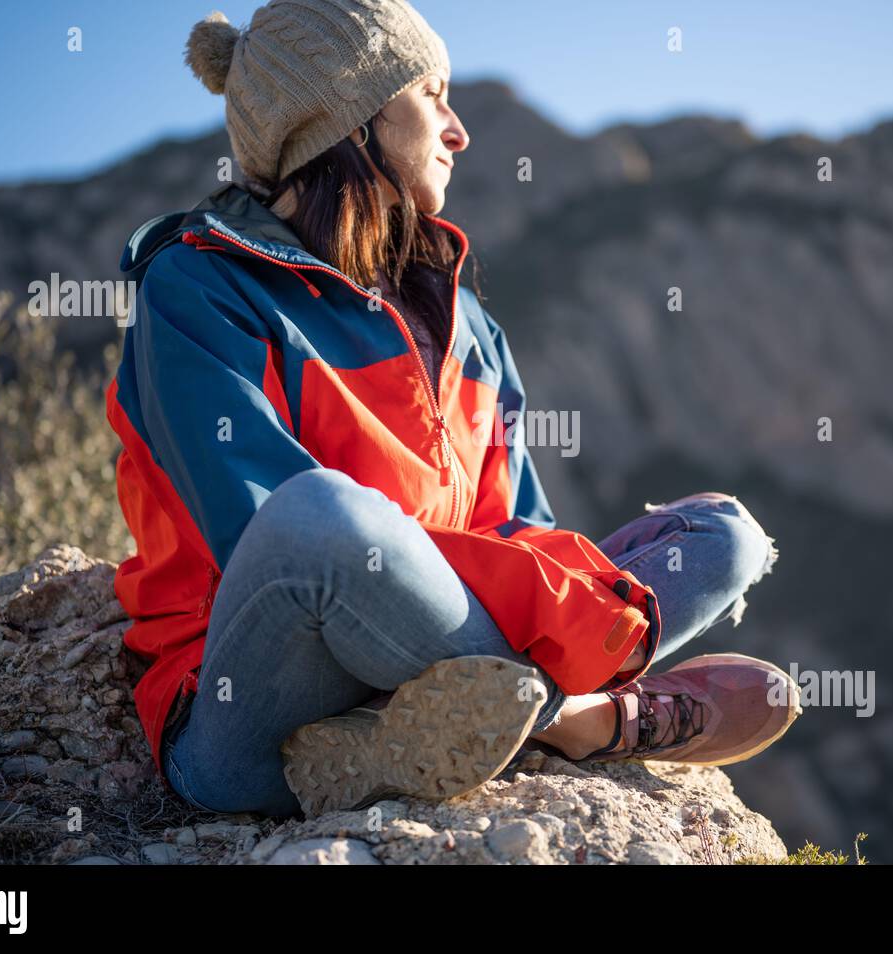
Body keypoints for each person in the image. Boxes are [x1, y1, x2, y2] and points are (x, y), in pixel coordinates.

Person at [105, 0, 801, 819]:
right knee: (321, 517)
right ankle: (577, 719)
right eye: (431, 94)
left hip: (446, 639)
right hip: (250, 716)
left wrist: (557, 594)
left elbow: (517, 526)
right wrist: (563, 615)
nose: (458, 129)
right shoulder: (198, 287)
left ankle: (437, 728)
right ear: (350, 118)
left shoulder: (469, 324)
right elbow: (261, 534)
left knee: (725, 537)